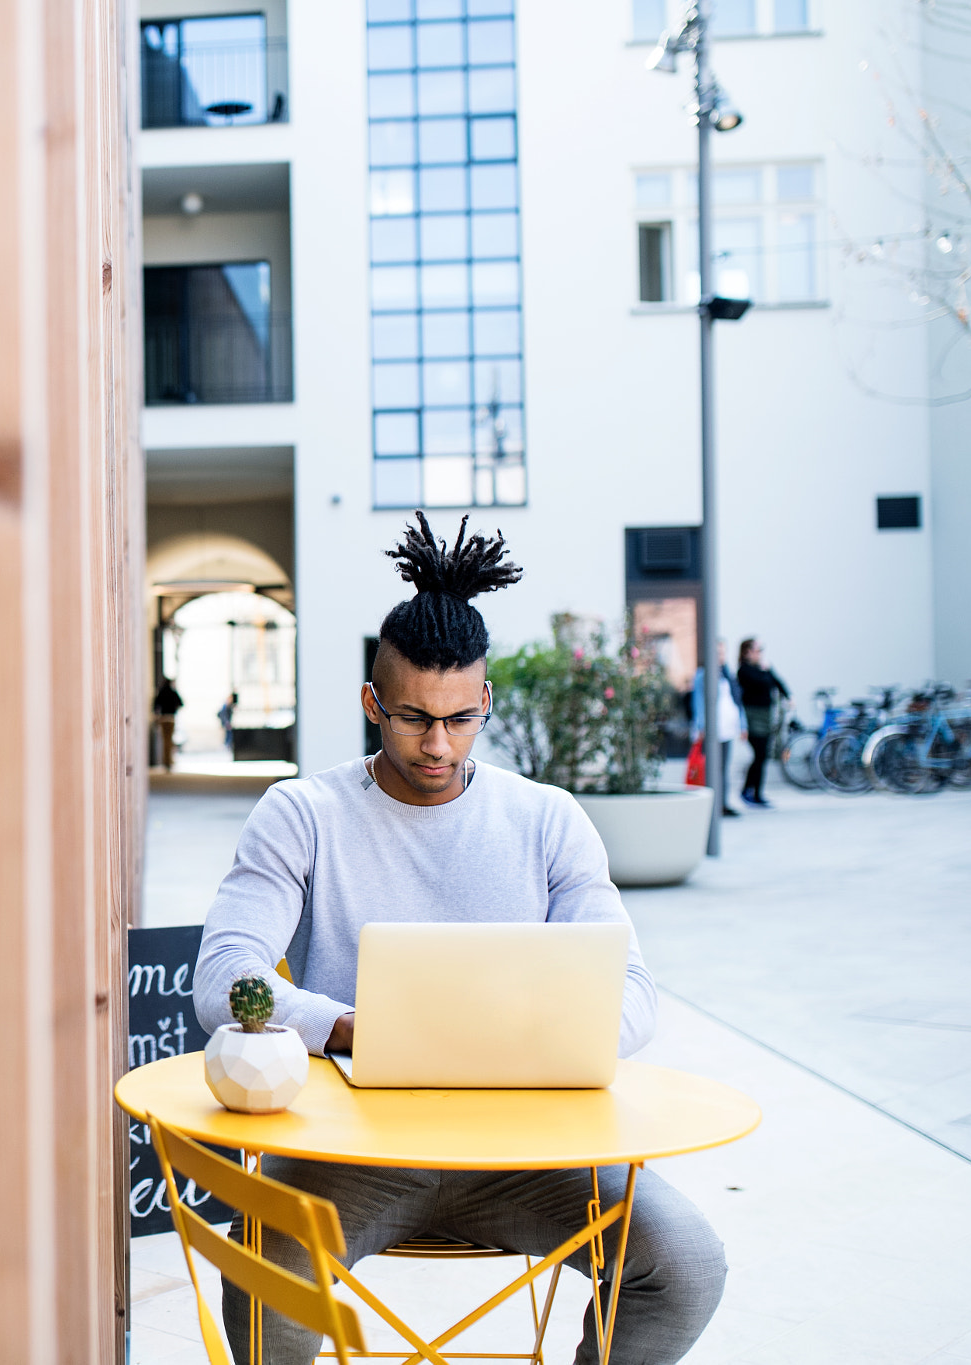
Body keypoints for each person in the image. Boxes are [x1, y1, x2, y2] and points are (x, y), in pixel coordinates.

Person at [194, 513, 725, 1365]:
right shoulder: (304, 813)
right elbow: (225, 975)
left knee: (686, 1263)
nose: (437, 744)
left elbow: (633, 992)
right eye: (410, 718)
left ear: (485, 703)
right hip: (352, 1151)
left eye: (458, 718)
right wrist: (346, 1025)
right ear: (372, 702)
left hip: (532, 1153)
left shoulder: (547, 819)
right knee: (259, 1267)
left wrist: (534, 1041)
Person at [690, 644, 743, 817]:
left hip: (727, 729)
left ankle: (723, 804)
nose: (721, 656)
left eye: (722, 652)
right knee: (711, 768)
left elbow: (736, 700)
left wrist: (743, 725)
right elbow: (698, 702)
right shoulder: (703, 675)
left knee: (723, 769)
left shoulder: (727, 674)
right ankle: (710, 805)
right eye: (717, 653)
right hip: (712, 731)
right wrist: (701, 726)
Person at [735, 639, 789, 808]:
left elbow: (777, 682)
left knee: (761, 755)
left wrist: (789, 695)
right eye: (757, 650)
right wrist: (766, 671)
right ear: (747, 652)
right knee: (760, 755)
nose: (760, 654)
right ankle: (751, 792)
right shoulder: (744, 671)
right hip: (753, 718)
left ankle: (753, 792)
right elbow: (764, 682)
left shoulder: (762, 668)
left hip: (765, 717)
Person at [153, 677, 185, 771]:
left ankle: (165, 761)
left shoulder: (161, 692)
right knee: (169, 740)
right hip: (171, 718)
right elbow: (181, 703)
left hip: (163, 718)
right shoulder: (173, 692)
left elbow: (155, 705)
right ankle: (169, 761)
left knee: (165, 739)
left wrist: (157, 714)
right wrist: (174, 708)